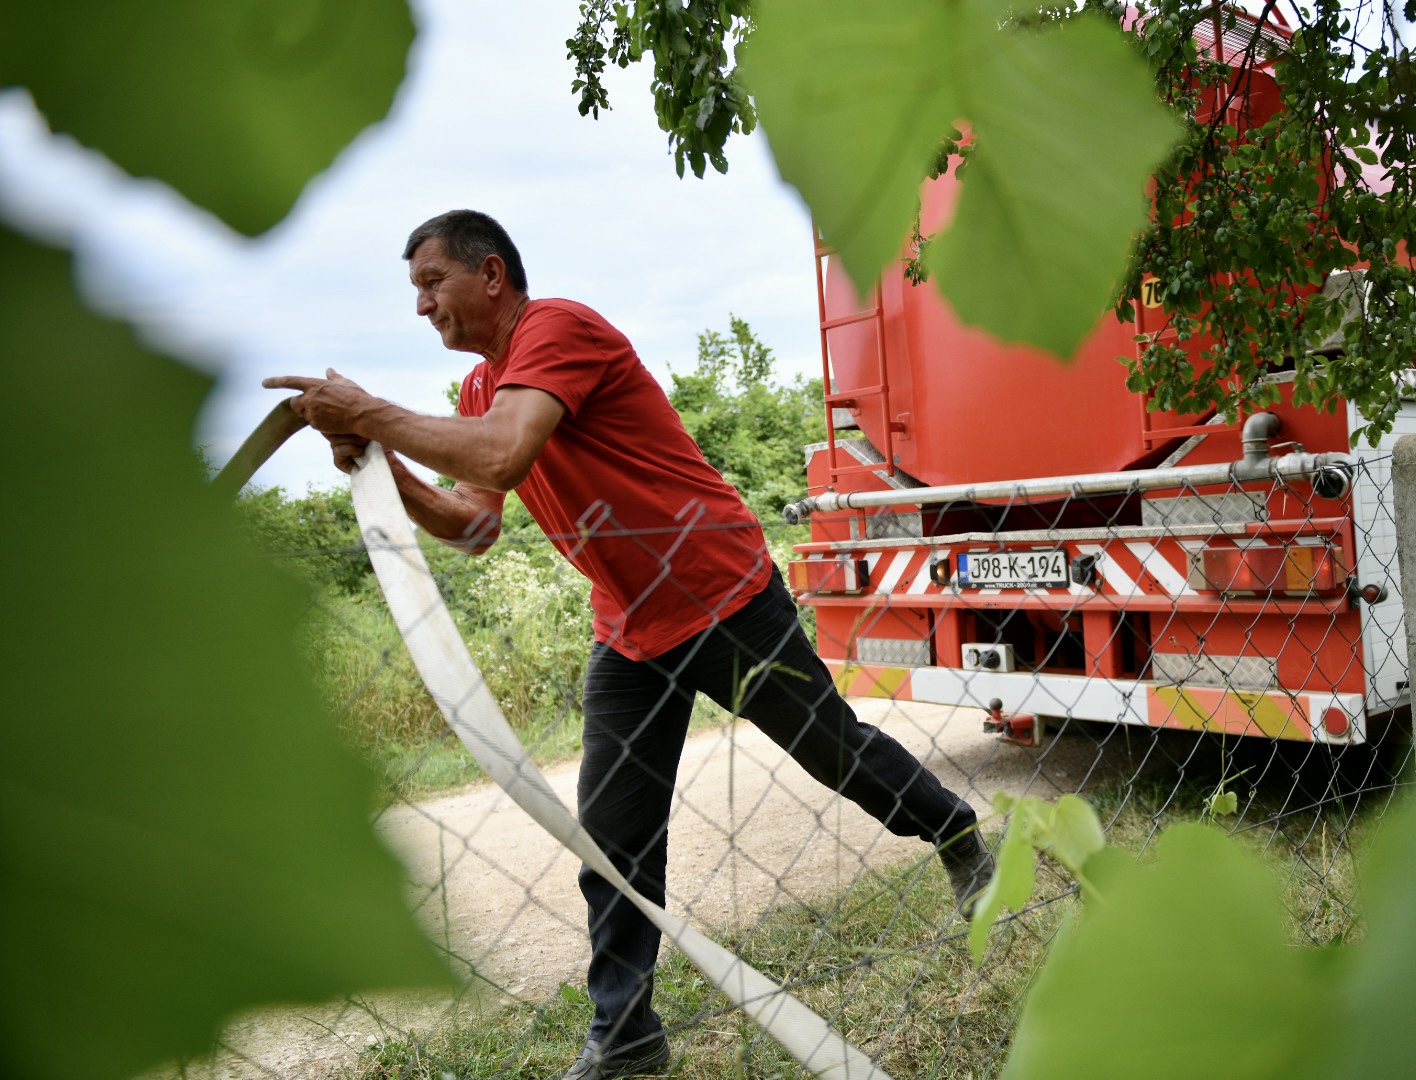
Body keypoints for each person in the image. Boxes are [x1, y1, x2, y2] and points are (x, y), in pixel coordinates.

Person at [265, 210, 994, 1080]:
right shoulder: (475, 394)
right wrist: (380, 464)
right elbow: (471, 524)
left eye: (433, 284)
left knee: (832, 753)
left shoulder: (557, 328)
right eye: (414, 291)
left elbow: (502, 456)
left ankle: (957, 837)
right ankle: (626, 1031)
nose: (422, 307)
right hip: (630, 626)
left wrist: (373, 413)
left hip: (721, 595)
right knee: (611, 834)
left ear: (491, 275)